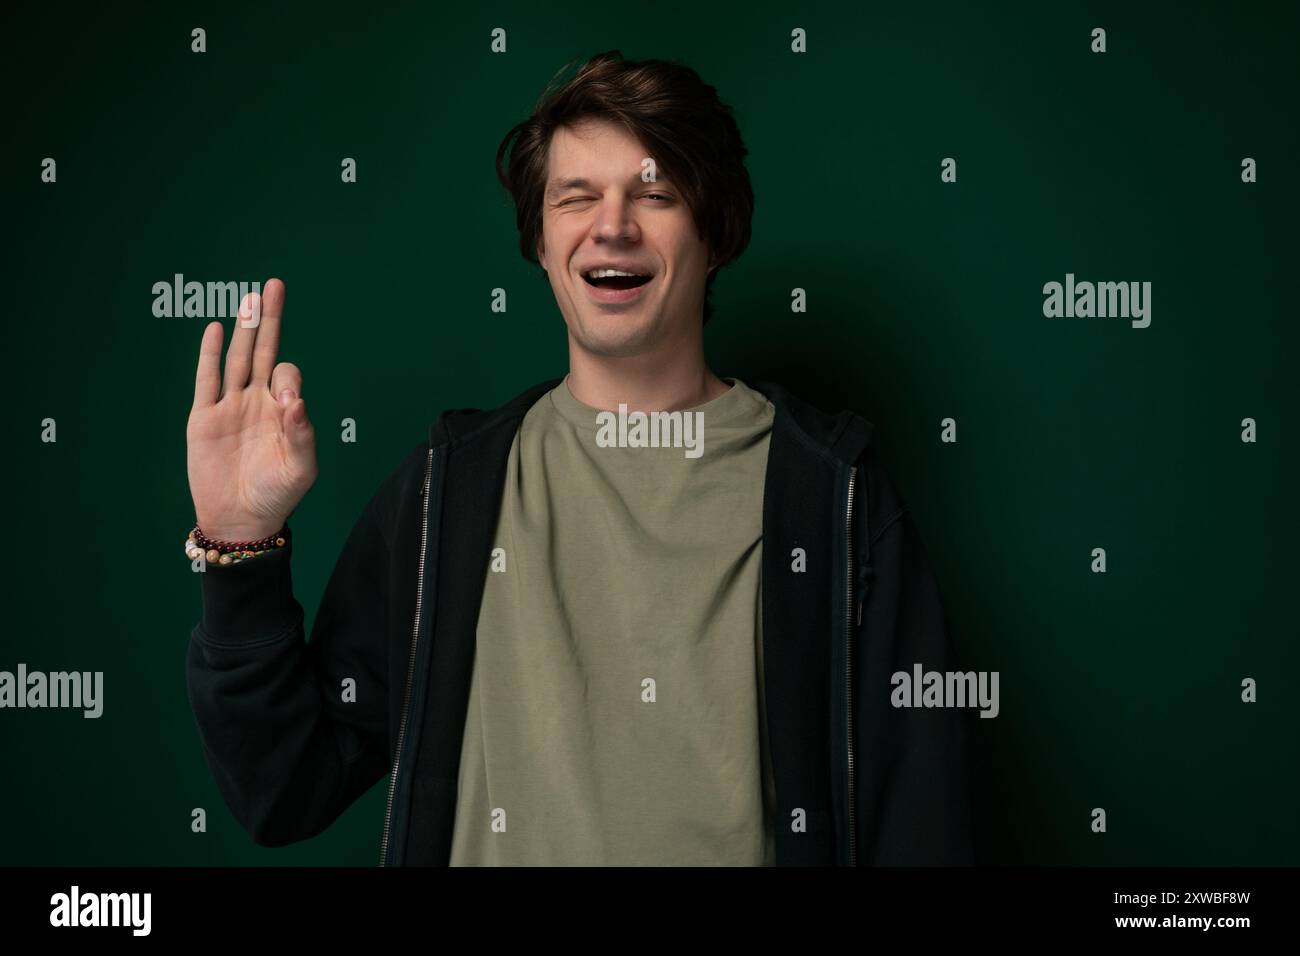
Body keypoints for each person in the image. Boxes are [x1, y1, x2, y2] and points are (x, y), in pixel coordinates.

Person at [184, 50, 973, 866]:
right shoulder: (448, 489)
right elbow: (286, 790)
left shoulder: (834, 494)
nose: (613, 224)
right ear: (540, 237)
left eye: (655, 193)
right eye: (577, 197)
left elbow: (921, 827)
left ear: (716, 231)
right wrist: (238, 546)